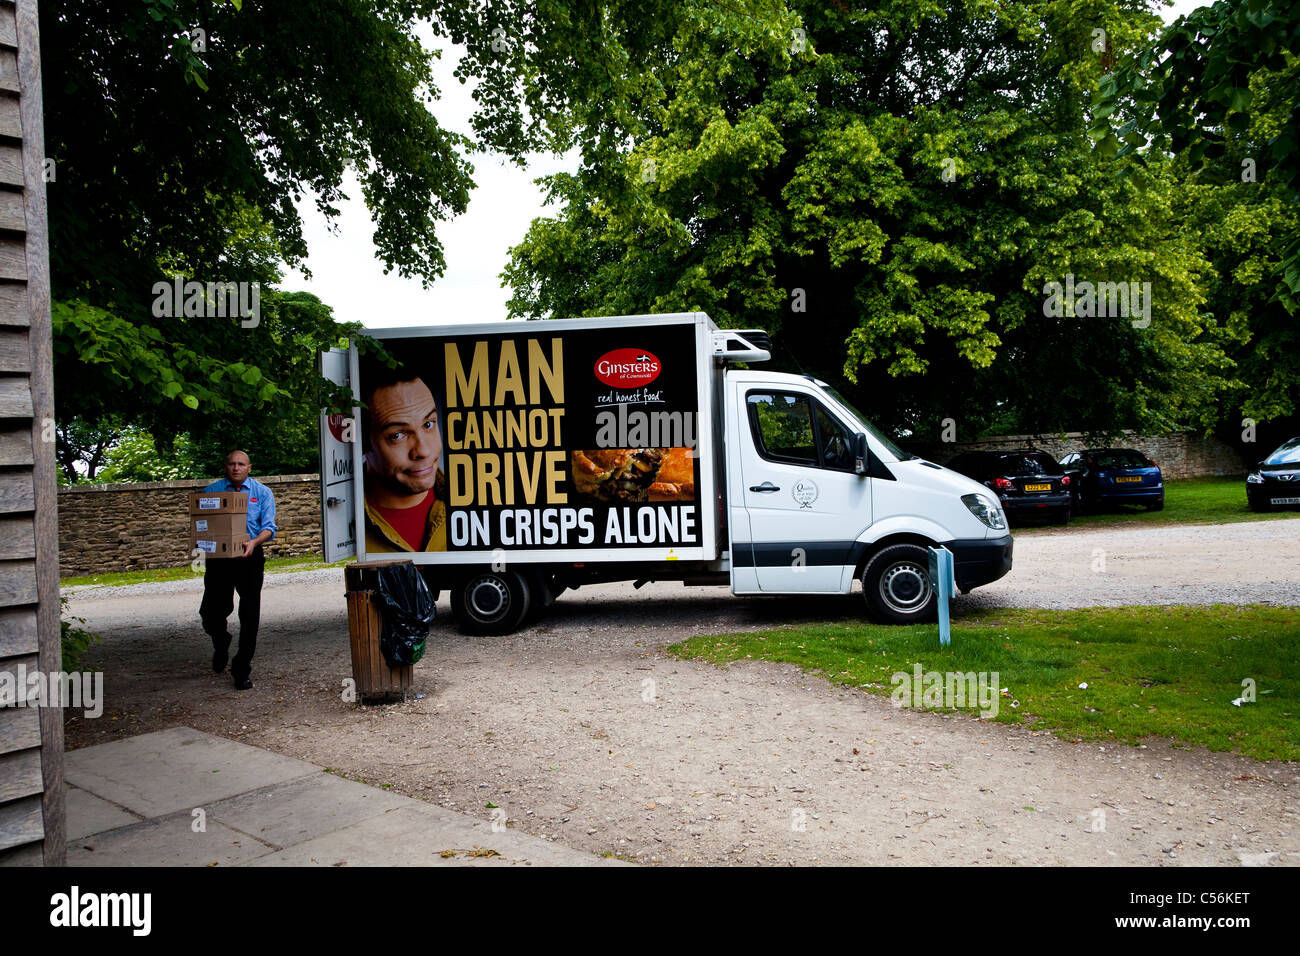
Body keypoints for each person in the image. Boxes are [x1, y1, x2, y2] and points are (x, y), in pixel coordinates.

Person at [199, 449, 278, 690]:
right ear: (226, 467)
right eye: (232, 464)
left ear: (249, 467)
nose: (236, 468)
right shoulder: (210, 493)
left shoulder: (262, 493)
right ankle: (221, 641)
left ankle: (241, 668)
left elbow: (269, 528)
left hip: (250, 558)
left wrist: (254, 542)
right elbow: (200, 526)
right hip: (219, 560)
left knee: (250, 615)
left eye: (241, 464)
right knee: (211, 612)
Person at [359, 358, 448, 552]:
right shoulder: (349, 522)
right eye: (397, 435)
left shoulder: (471, 506)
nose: (423, 451)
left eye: (428, 424)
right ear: (363, 443)